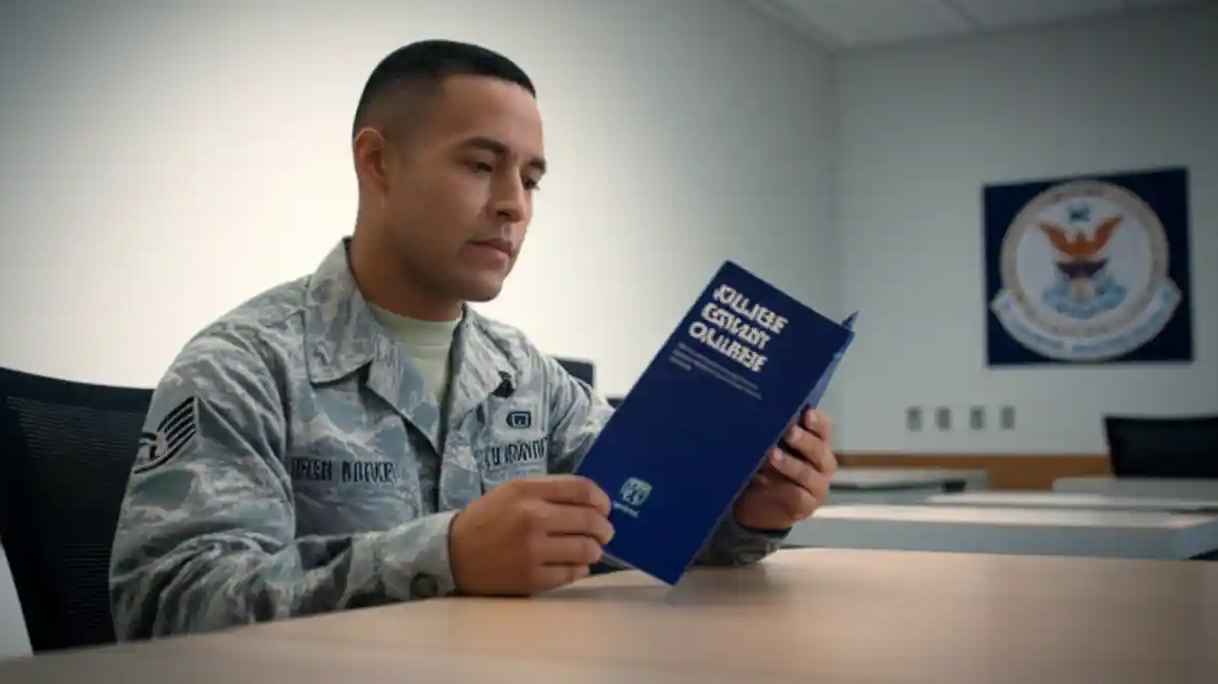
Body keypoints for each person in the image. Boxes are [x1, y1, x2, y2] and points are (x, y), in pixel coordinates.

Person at [108, 39, 839, 640]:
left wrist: (747, 513)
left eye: (531, 179)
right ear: (377, 162)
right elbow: (164, 606)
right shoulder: (243, 367)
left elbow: (645, 525)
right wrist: (443, 555)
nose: (514, 206)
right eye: (482, 166)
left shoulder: (528, 376)